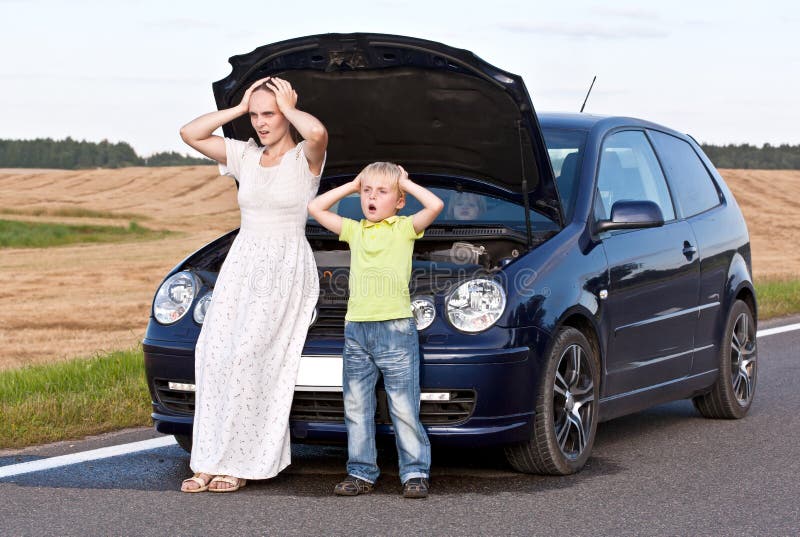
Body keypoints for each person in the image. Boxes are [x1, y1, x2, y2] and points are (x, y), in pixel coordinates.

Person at [178, 76, 327, 493]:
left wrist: (290, 105)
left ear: (287, 113)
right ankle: (207, 459)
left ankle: (244, 460)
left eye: (270, 114)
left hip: (282, 265)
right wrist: (240, 107)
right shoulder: (243, 154)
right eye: (257, 115)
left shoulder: (305, 158)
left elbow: (316, 131)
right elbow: (190, 133)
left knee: (248, 355)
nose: (261, 123)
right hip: (242, 262)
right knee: (213, 352)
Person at [308, 162, 444, 499]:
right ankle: (361, 472)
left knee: (402, 405)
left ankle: (414, 472)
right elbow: (314, 208)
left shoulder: (404, 228)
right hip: (356, 330)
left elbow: (435, 206)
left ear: (398, 202)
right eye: (367, 192)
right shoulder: (355, 230)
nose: (371, 197)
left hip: (395, 329)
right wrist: (352, 185)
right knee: (355, 407)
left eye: (382, 192)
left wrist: (405, 183)